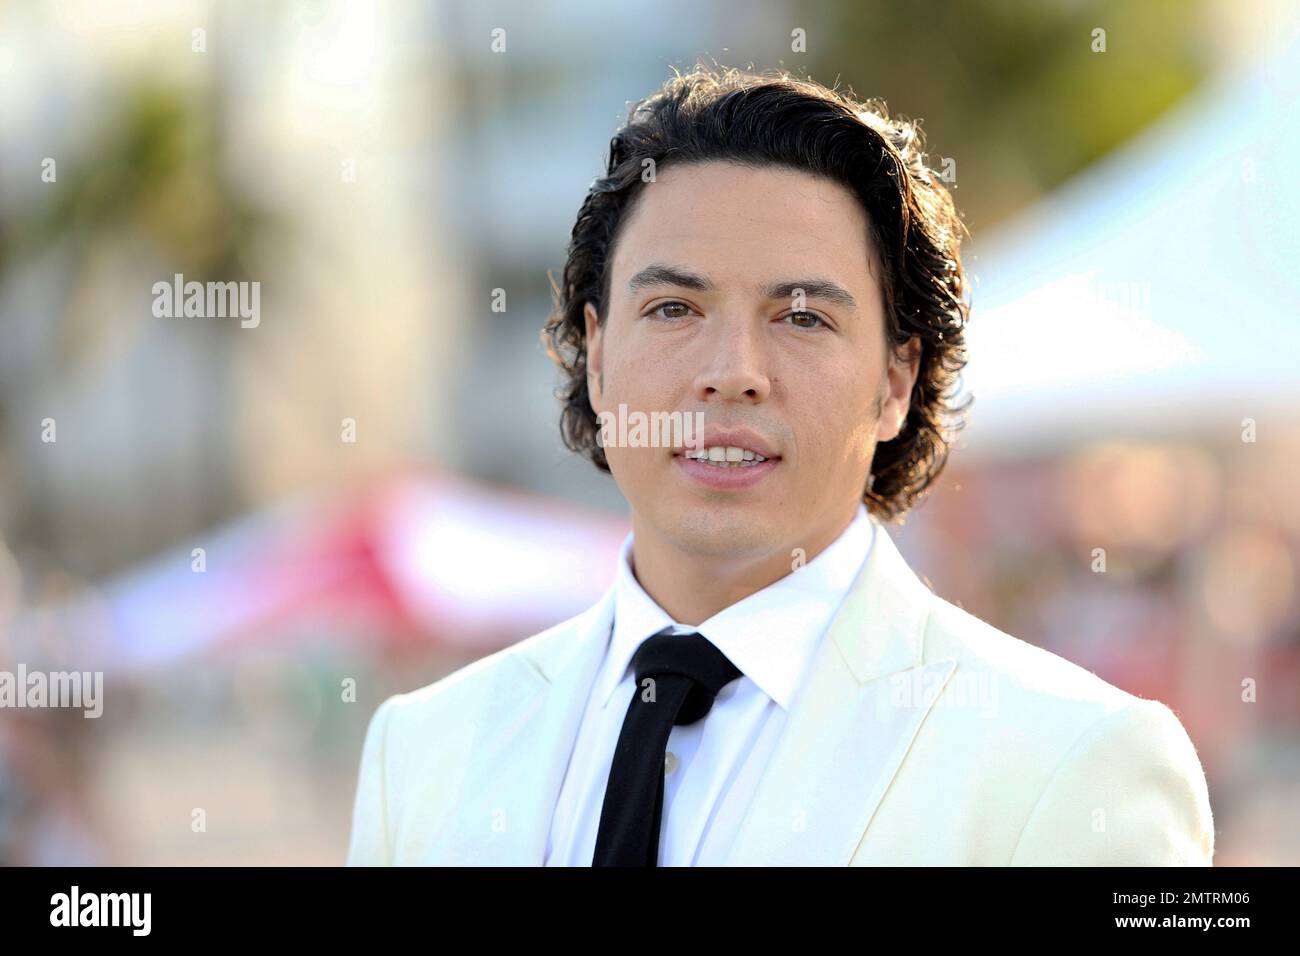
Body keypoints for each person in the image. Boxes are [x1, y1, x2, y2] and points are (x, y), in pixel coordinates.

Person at [346, 64, 1214, 866]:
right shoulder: (422, 750)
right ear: (599, 355)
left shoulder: (1073, 759)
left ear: (895, 381)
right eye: (675, 306)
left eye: (801, 317)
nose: (733, 370)